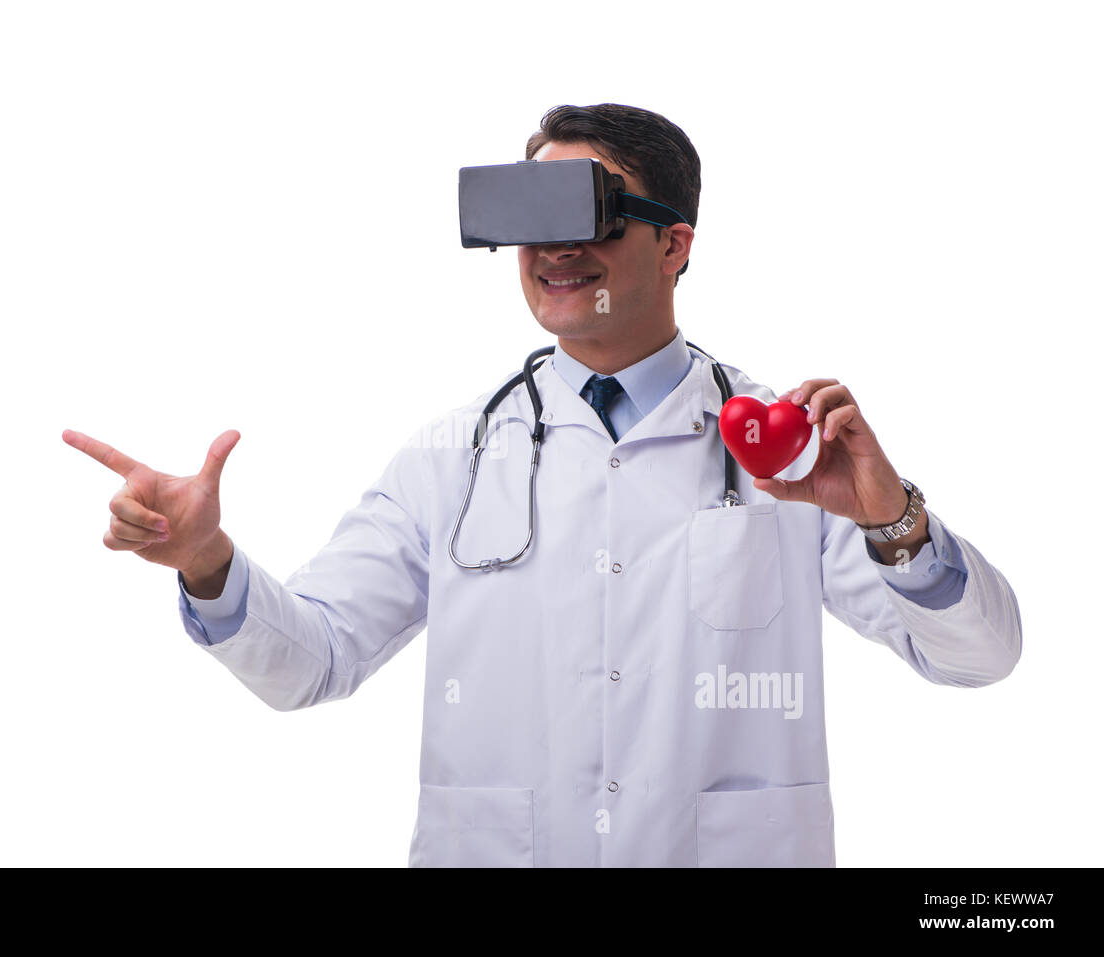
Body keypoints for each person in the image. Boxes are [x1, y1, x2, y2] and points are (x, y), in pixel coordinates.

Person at [63, 103, 1022, 867]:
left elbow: (980, 657)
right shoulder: (453, 456)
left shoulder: (794, 458)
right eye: (533, 220)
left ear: (675, 245)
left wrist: (892, 522)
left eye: (592, 215)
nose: (556, 250)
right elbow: (313, 658)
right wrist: (205, 563)